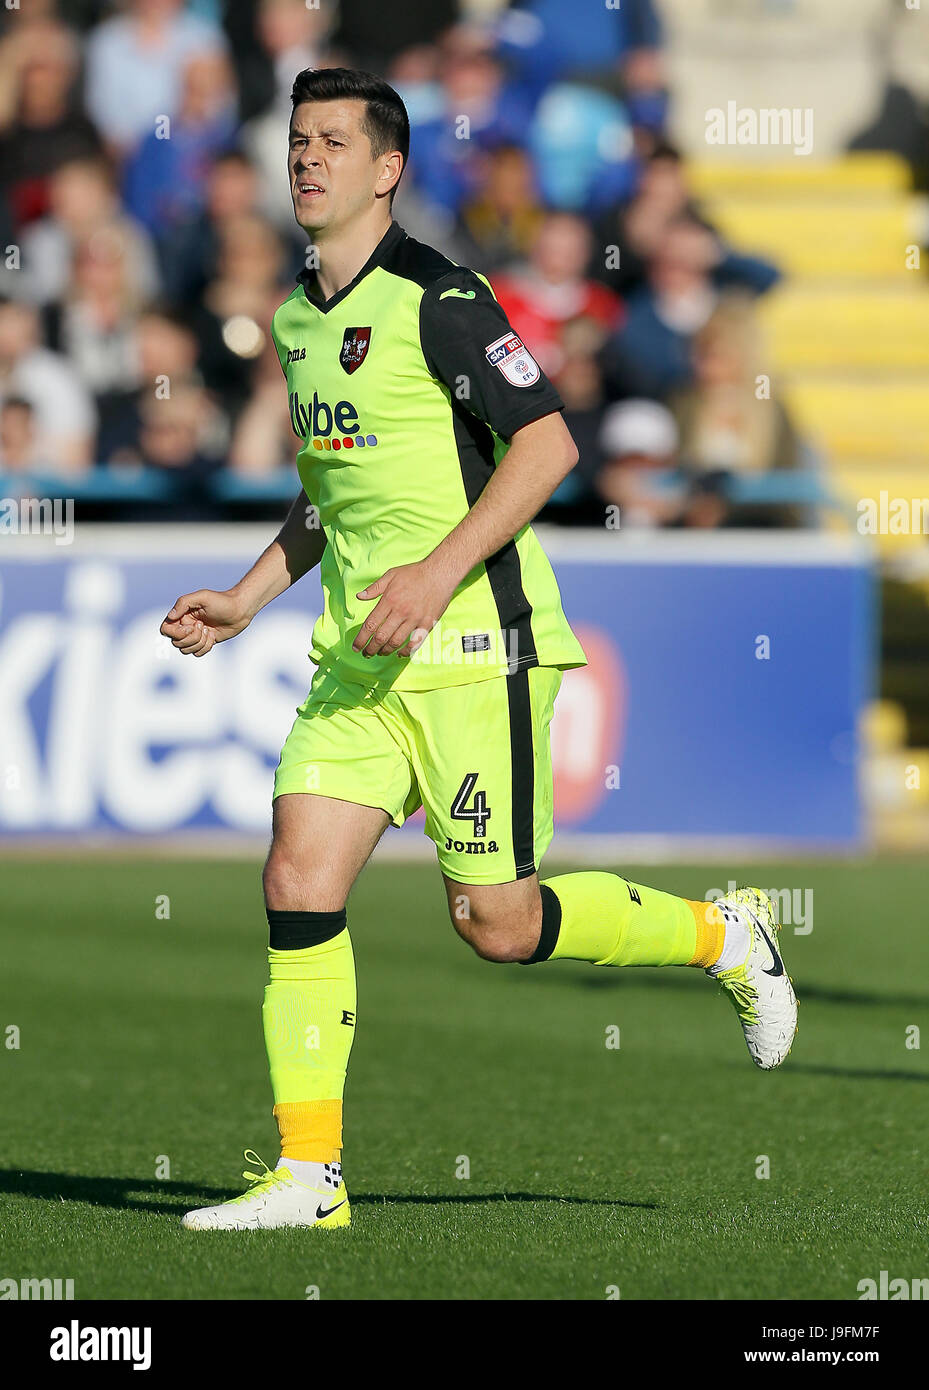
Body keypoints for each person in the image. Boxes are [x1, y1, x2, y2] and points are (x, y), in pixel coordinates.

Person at [160, 67, 798, 1233]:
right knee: (297, 876)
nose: (307, 159)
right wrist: (251, 595)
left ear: (386, 169)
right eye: (298, 141)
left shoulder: (441, 297)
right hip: (362, 662)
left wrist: (434, 571)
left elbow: (547, 448)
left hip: (472, 647)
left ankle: (722, 932)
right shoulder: (299, 318)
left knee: (496, 925)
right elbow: (330, 494)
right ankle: (311, 1177)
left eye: (333, 143)